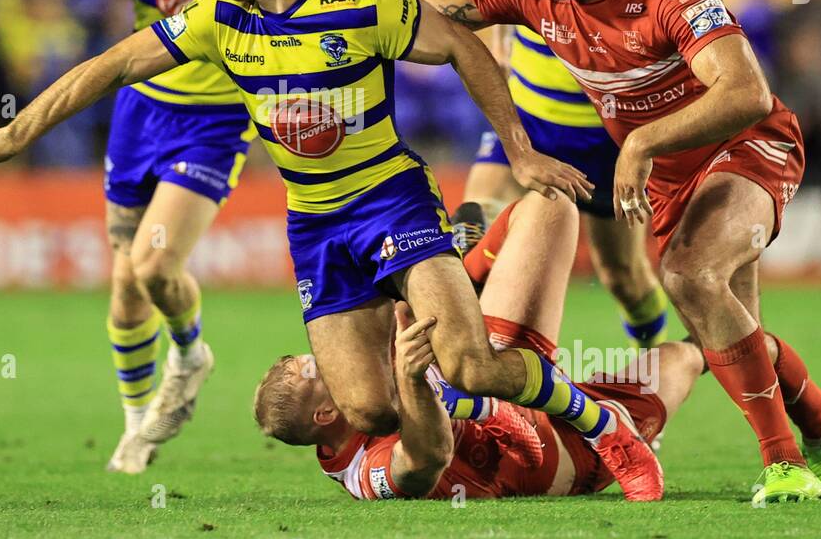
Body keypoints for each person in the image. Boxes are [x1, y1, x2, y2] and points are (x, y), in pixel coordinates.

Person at [0, 0, 661, 498]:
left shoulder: (365, 8)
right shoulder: (217, 20)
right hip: (315, 227)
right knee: (371, 412)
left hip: (391, 203)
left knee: (471, 367)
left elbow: (467, 48)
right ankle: (451, 353)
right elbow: (115, 64)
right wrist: (13, 133)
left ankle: (605, 425)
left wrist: (519, 148)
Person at [418, 0, 821, 505]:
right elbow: (435, 6)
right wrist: (346, 14)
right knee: (726, 332)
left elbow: (746, 93)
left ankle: (785, 464)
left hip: (748, 147)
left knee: (689, 273)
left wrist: (639, 142)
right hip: (676, 178)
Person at [35, 0, 338, 473]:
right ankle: (140, 423)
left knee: (155, 262)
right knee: (124, 285)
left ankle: (191, 350)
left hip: (216, 111)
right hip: (141, 104)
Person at [254, 189, 683, 501]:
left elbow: (411, 318)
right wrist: (416, 382)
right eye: (321, 369)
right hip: (562, 458)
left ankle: (601, 421)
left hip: (496, 366)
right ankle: (602, 422)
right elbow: (424, 461)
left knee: (550, 204)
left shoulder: (362, 371)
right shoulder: (367, 474)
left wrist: (442, 280)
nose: (334, 358)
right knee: (684, 357)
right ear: (325, 413)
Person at [461, 0, 685, 351]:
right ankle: (471, 388)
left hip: (607, 127)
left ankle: (661, 374)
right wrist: (498, 72)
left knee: (624, 278)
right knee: (473, 224)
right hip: (531, 112)